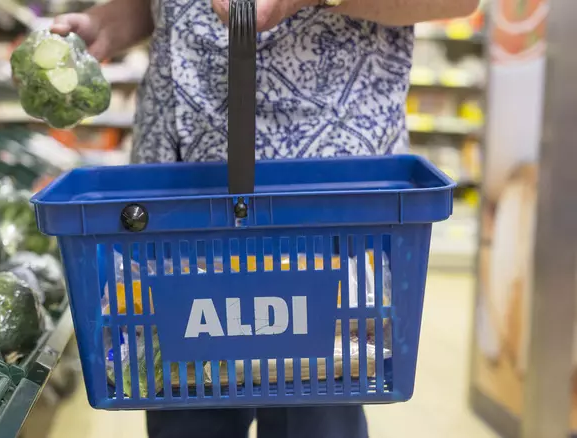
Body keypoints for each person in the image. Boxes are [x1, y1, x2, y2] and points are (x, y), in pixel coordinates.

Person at [52, 0, 478, 436]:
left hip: (321, 192)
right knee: (181, 405)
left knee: (316, 408)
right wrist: (105, 24)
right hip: (174, 196)